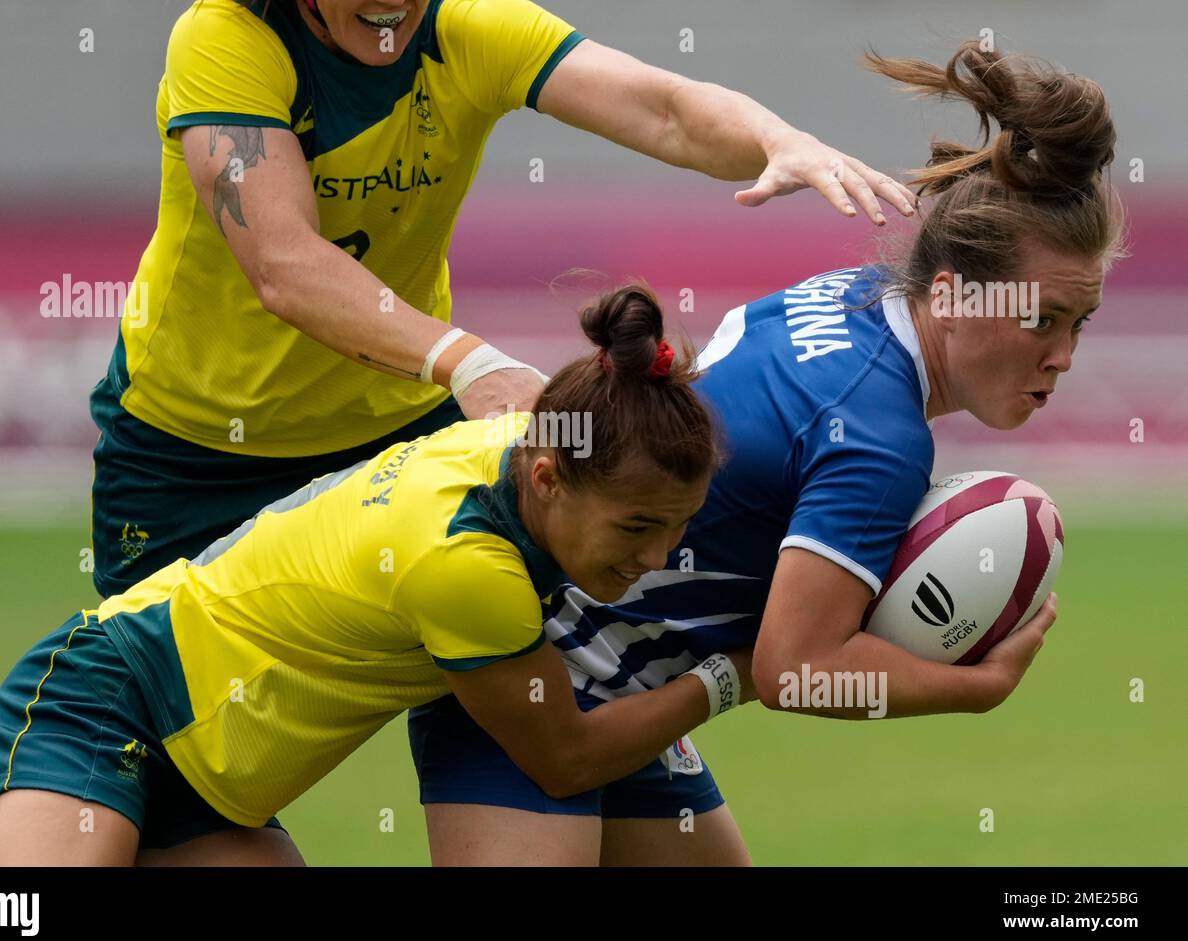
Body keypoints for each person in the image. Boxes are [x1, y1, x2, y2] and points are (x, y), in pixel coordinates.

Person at [409, 39, 1127, 866]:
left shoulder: (842, 298)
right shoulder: (881, 440)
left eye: (1081, 322)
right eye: (1041, 317)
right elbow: (795, 670)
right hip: (533, 669)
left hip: (627, 682)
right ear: (952, 294)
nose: (1063, 355)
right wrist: (977, 688)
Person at [89, 0, 918, 597]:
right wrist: (469, 363)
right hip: (189, 454)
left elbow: (665, 112)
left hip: (399, 434)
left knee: (542, 695)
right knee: (165, 780)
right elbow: (285, 262)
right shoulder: (226, 36)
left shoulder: (472, 27)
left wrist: (777, 137)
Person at [0, 285, 756, 865]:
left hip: (208, 786)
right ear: (547, 479)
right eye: (635, 528)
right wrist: (737, 675)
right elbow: (566, 757)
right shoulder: (467, 565)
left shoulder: (526, 440)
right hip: (105, 704)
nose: (656, 558)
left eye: (677, 524)